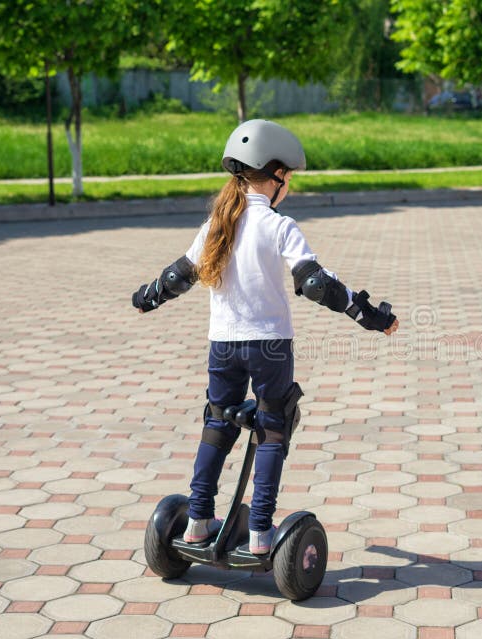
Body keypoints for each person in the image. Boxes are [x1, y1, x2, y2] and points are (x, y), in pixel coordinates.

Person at [132, 119, 399, 554]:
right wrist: (369, 315)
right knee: (273, 428)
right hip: (270, 345)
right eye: (288, 178)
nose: (288, 186)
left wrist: (147, 298)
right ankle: (259, 532)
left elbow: (180, 275)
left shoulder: (218, 224)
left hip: (223, 344)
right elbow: (316, 283)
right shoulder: (279, 226)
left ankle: (198, 521)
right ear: (275, 175)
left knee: (217, 424)